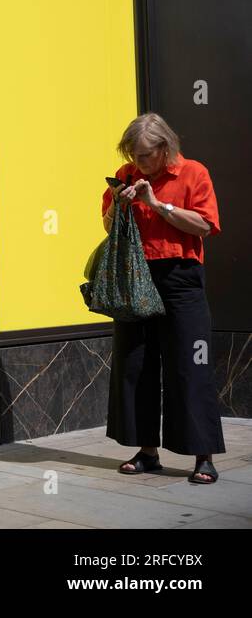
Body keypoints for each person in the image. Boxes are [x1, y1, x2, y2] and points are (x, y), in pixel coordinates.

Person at [101, 112, 224, 484]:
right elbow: (107, 224)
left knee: (189, 363)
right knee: (136, 363)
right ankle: (146, 451)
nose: (137, 164)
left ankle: (203, 455)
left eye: (144, 156)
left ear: (165, 148)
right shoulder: (125, 176)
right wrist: (119, 205)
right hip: (136, 276)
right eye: (133, 155)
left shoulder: (193, 173)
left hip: (179, 277)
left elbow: (204, 226)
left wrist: (158, 205)